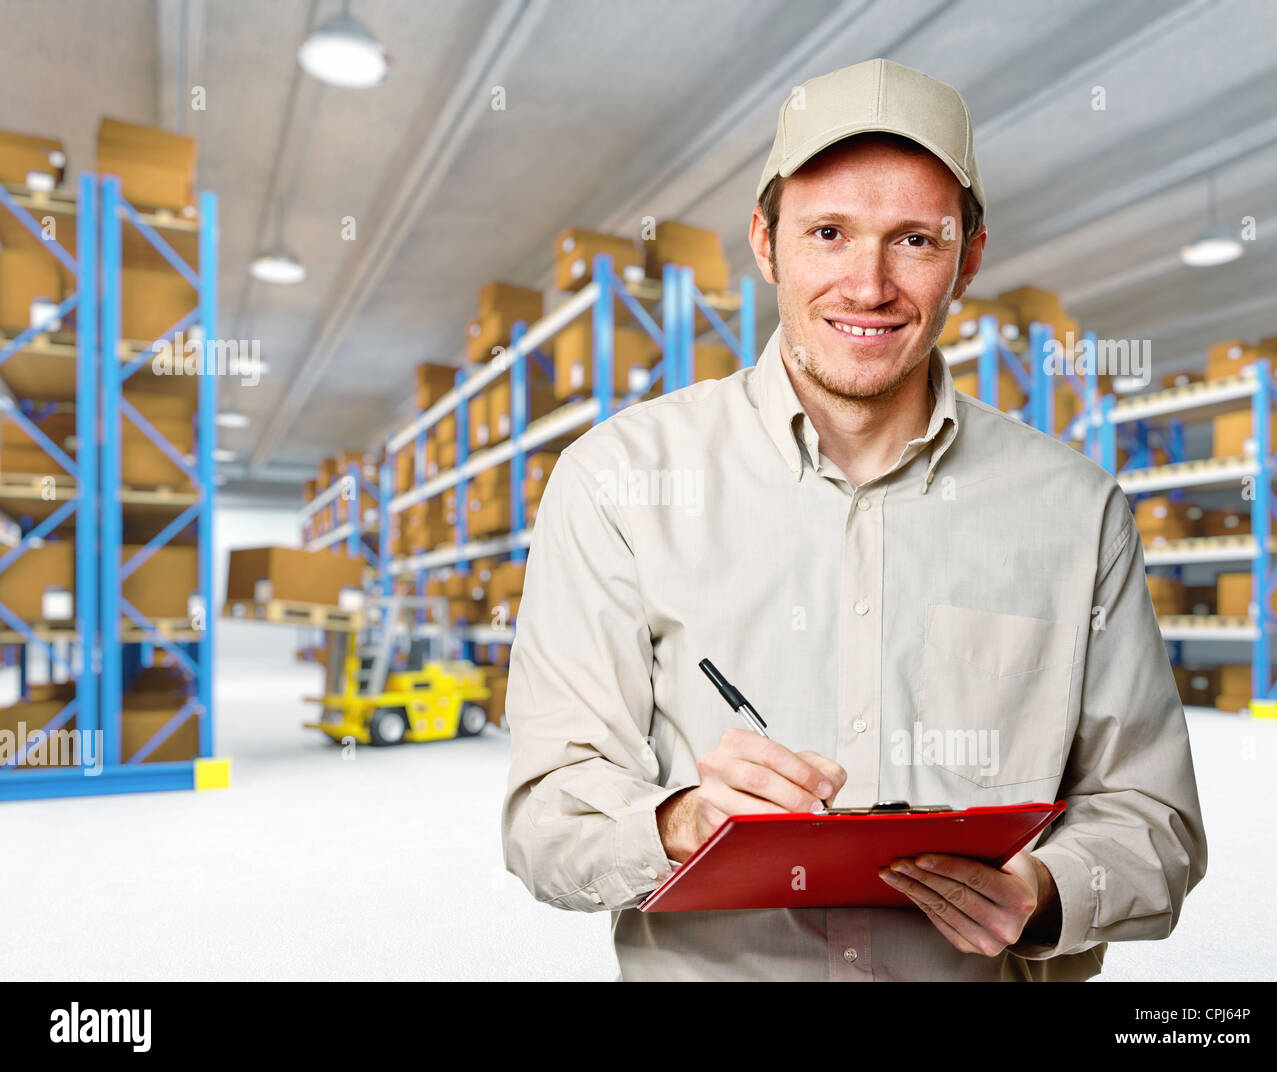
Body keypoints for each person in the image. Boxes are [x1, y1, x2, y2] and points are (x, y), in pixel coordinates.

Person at [501, 57, 1207, 981]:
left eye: (915, 240)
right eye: (828, 233)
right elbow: (544, 821)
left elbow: (1155, 820)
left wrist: (1045, 892)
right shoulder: (618, 482)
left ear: (970, 257)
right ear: (765, 242)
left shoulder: (1075, 512)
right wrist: (679, 823)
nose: (867, 286)